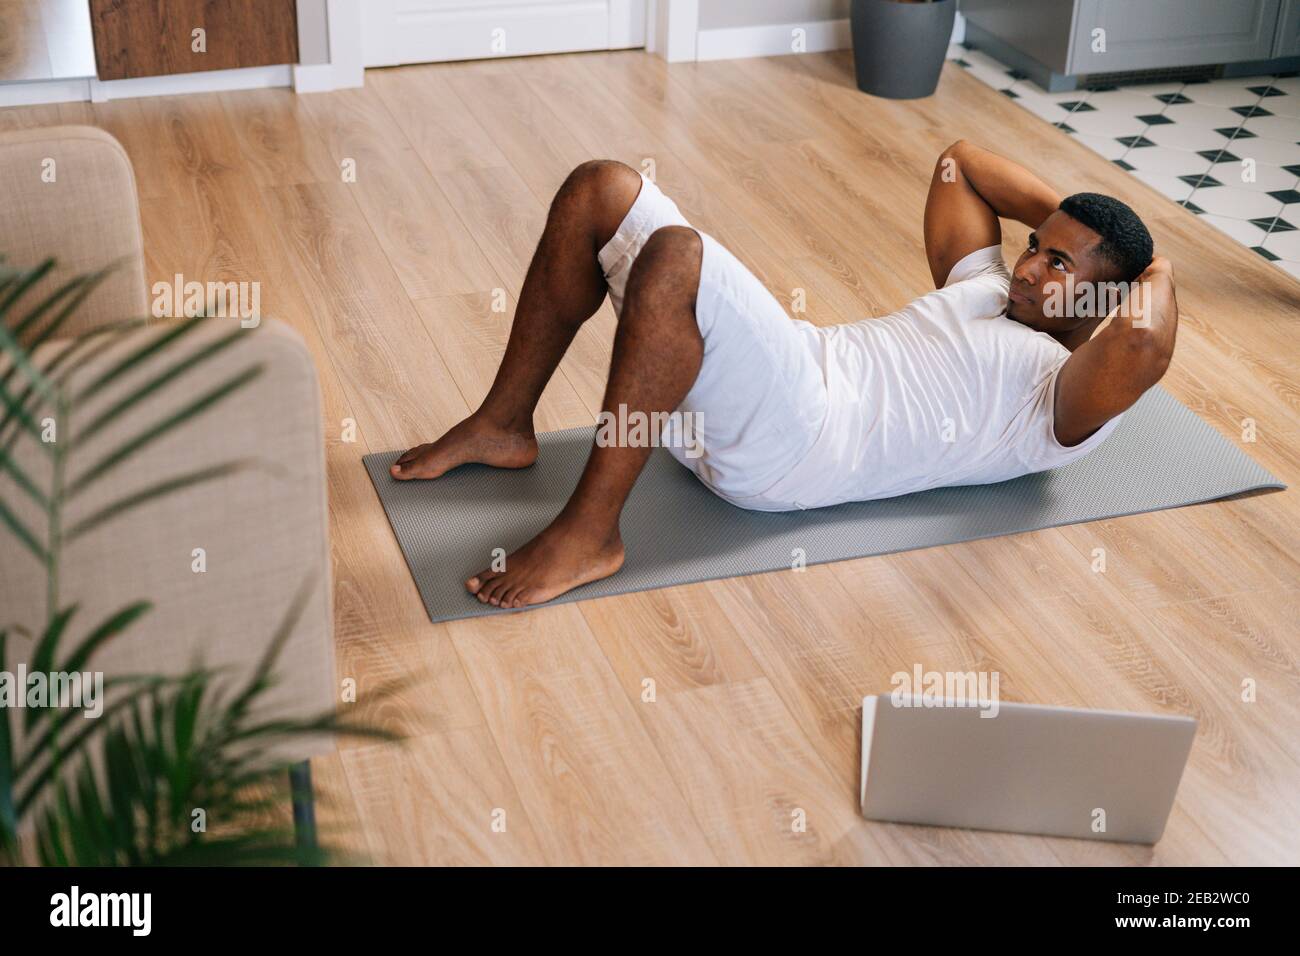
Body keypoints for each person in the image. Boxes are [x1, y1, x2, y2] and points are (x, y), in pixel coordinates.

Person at [391, 141, 1177, 609]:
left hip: (797, 446)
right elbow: (958, 166)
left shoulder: (1061, 396)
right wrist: (1081, 220)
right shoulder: (986, 286)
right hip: (772, 381)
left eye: (1059, 264)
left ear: (1108, 297)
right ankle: (503, 423)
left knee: (678, 258)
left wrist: (1155, 263)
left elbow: (1141, 345)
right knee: (604, 187)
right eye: (1037, 244)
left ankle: (591, 534)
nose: (1033, 264)